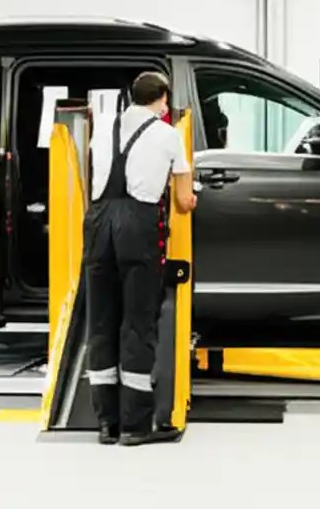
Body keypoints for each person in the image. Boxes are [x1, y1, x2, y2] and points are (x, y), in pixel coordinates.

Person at [83, 70, 197, 446]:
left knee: (101, 322)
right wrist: (191, 195)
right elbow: (183, 200)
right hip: (138, 227)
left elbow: (92, 179)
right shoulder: (168, 135)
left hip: (98, 224)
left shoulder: (102, 128)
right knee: (137, 322)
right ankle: (136, 425)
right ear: (162, 99)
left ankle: (106, 424)